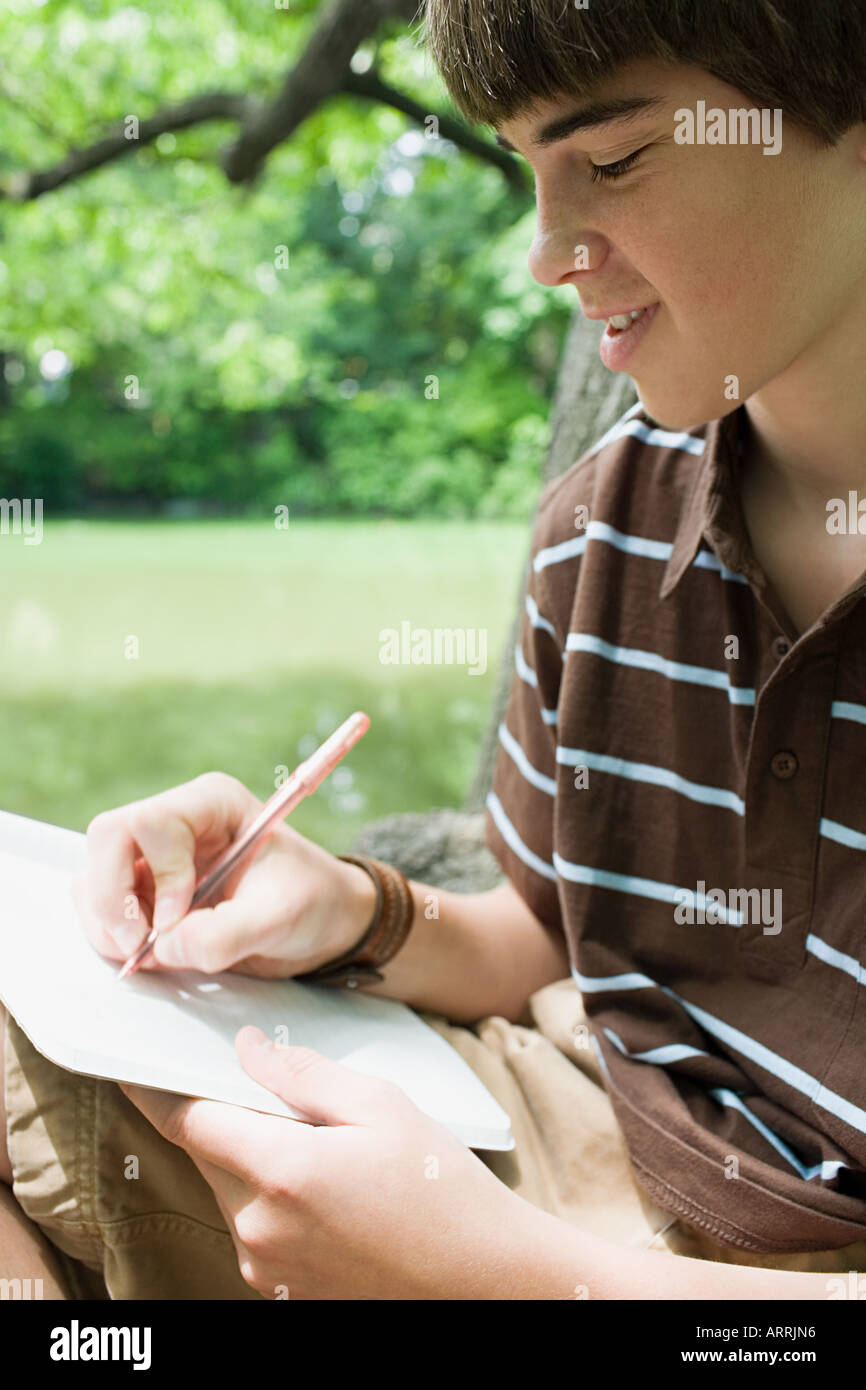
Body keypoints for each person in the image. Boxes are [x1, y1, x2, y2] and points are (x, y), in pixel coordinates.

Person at [2, 0, 866, 1298]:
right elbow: (539, 929)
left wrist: (515, 1279)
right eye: (527, 170)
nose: (543, 251)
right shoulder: (601, 527)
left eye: (613, 161)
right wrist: (344, 906)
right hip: (559, 1115)